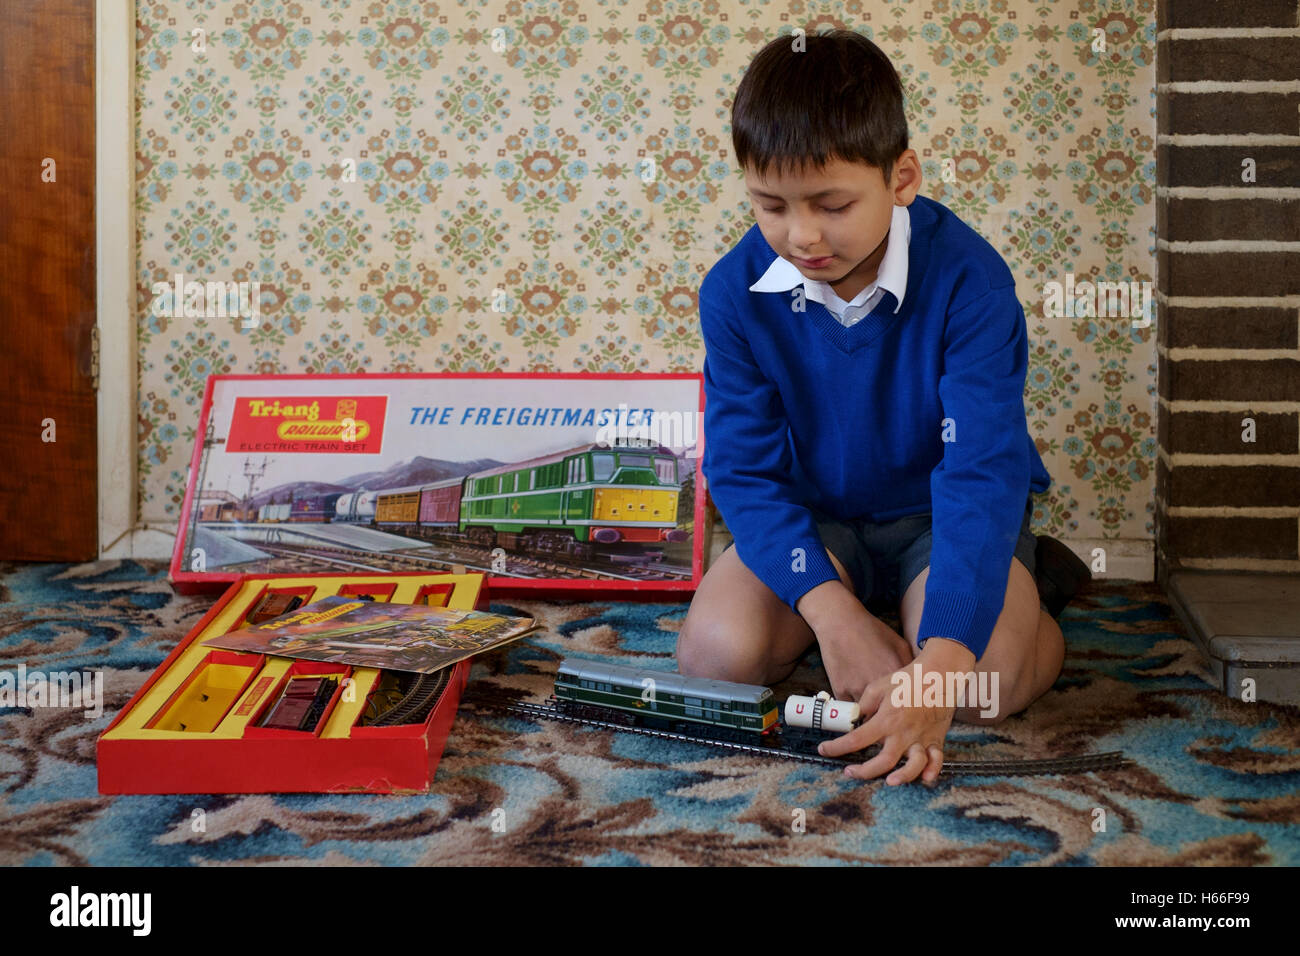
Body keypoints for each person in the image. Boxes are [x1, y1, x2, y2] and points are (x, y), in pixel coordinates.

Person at [677, 30, 1091, 786]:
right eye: (770, 205)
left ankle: (1030, 598)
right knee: (714, 657)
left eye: (832, 205)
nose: (801, 236)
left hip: (939, 519)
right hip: (817, 523)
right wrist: (831, 615)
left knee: (983, 688)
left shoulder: (971, 281)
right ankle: (866, 618)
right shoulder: (732, 294)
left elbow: (980, 474)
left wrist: (939, 670)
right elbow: (744, 471)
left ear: (901, 177)